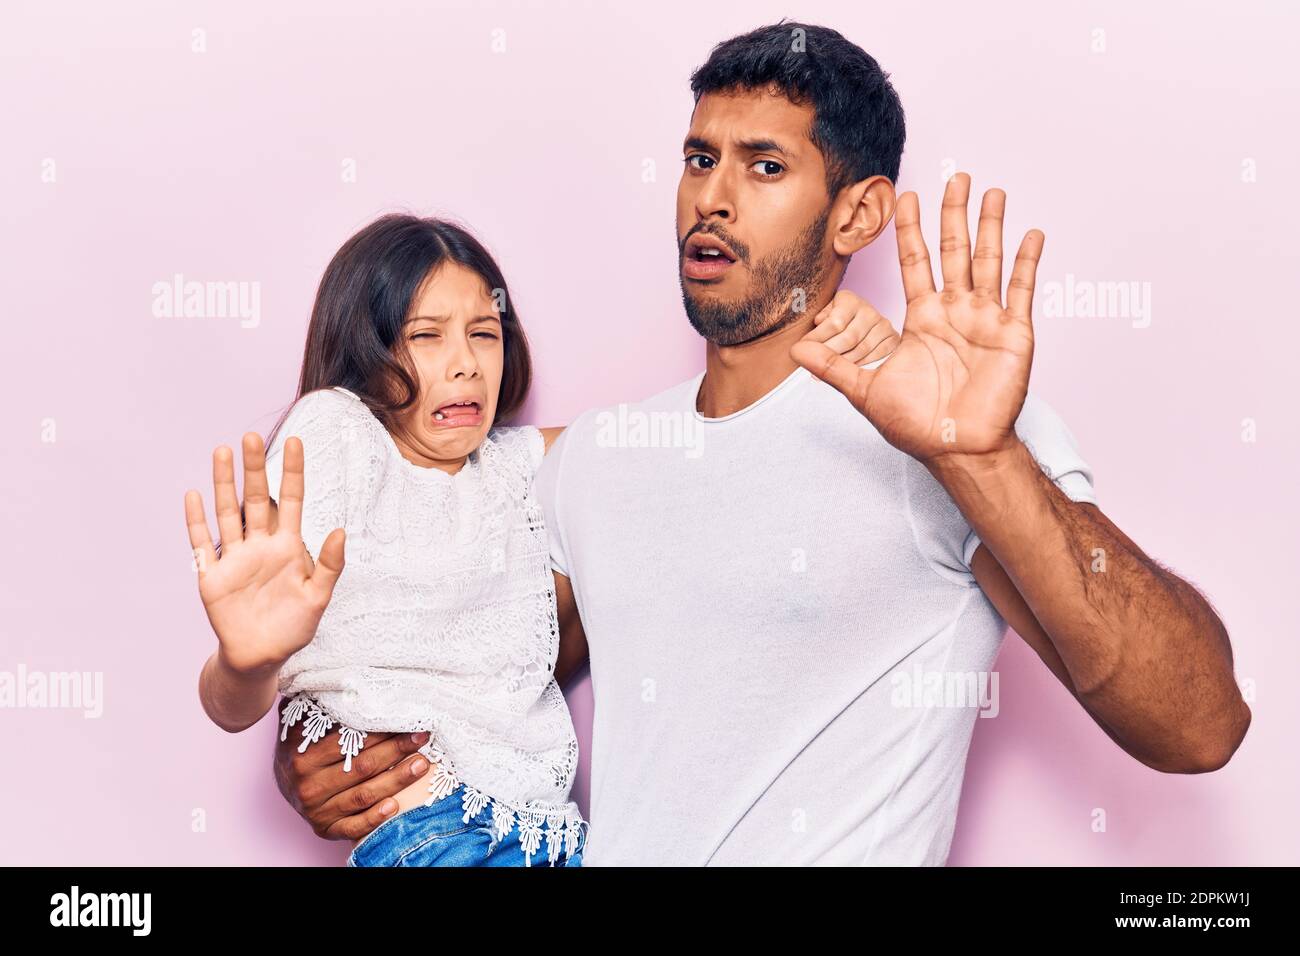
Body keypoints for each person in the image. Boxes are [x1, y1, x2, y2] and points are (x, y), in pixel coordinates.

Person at [270, 22, 1250, 865]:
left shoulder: (953, 431)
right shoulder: (595, 462)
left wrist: (978, 457)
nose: (713, 198)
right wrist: (317, 749)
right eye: (700, 158)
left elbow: (1201, 725)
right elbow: (466, 664)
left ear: (857, 212)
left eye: (765, 166)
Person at [185, 213, 902, 864]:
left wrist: (835, 349)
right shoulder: (341, 432)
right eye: (426, 336)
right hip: (434, 833)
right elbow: (230, 702)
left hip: (553, 839)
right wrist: (246, 664)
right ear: (364, 350)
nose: (465, 363)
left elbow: (686, 444)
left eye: (484, 333)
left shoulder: (519, 467)